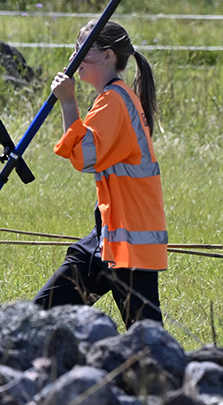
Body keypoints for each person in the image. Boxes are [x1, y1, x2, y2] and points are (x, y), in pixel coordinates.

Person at [32, 19, 167, 327]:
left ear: (107, 56)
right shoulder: (113, 98)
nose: (73, 58)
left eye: (82, 49)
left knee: (146, 337)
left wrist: (68, 102)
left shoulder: (114, 102)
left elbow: (85, 157)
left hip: (130, 239)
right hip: (107, 234)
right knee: (41, 314)